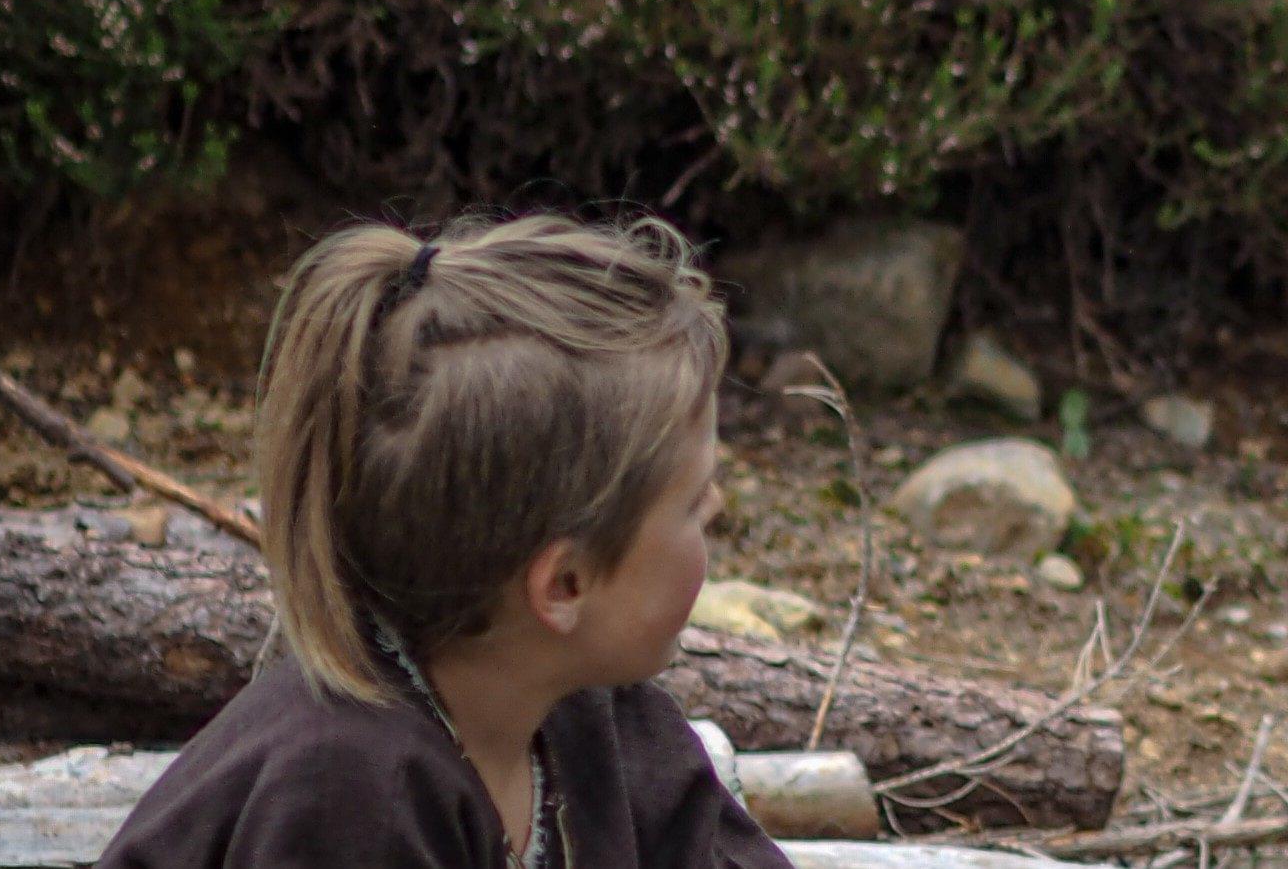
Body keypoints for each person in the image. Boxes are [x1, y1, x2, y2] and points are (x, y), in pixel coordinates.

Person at [98, 214, 789, 869]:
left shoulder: (590, 716)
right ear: (565, 584)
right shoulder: (351, 790)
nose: (718, 508)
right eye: (695, 502)